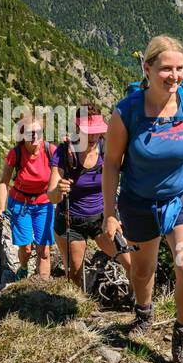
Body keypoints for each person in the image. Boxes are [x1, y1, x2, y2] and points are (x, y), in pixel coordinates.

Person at [102, 36, 183, 363]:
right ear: (147, 68)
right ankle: (143, 312)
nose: (174, 75)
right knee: (142, 271)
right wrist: (110, 213)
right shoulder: (128, 112)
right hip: (138, 203)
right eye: (166, 68)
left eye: (180, 68)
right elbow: (111, 164)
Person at [47, 104, 134, 288]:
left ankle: (140, 305)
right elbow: (52, 196)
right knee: (75, 276)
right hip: (71, 222)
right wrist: (59, 189)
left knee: (130, 263)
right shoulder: (64, 152)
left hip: (102, 218)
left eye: (97, 131)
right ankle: (76, 312)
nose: (94, 136)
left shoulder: (106, 147)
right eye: (89, 132)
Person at [0, 110, 55, 278]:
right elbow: (3, 182)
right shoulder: (16, 153)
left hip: (44, 203)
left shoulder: (50, 150)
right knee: (26, 247)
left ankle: (42, 288)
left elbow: (66, 167)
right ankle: (23, 267)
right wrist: (1, 208)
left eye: (39, 132)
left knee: (44, 250)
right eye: (30, 133)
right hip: (20, 204)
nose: (35, 136)